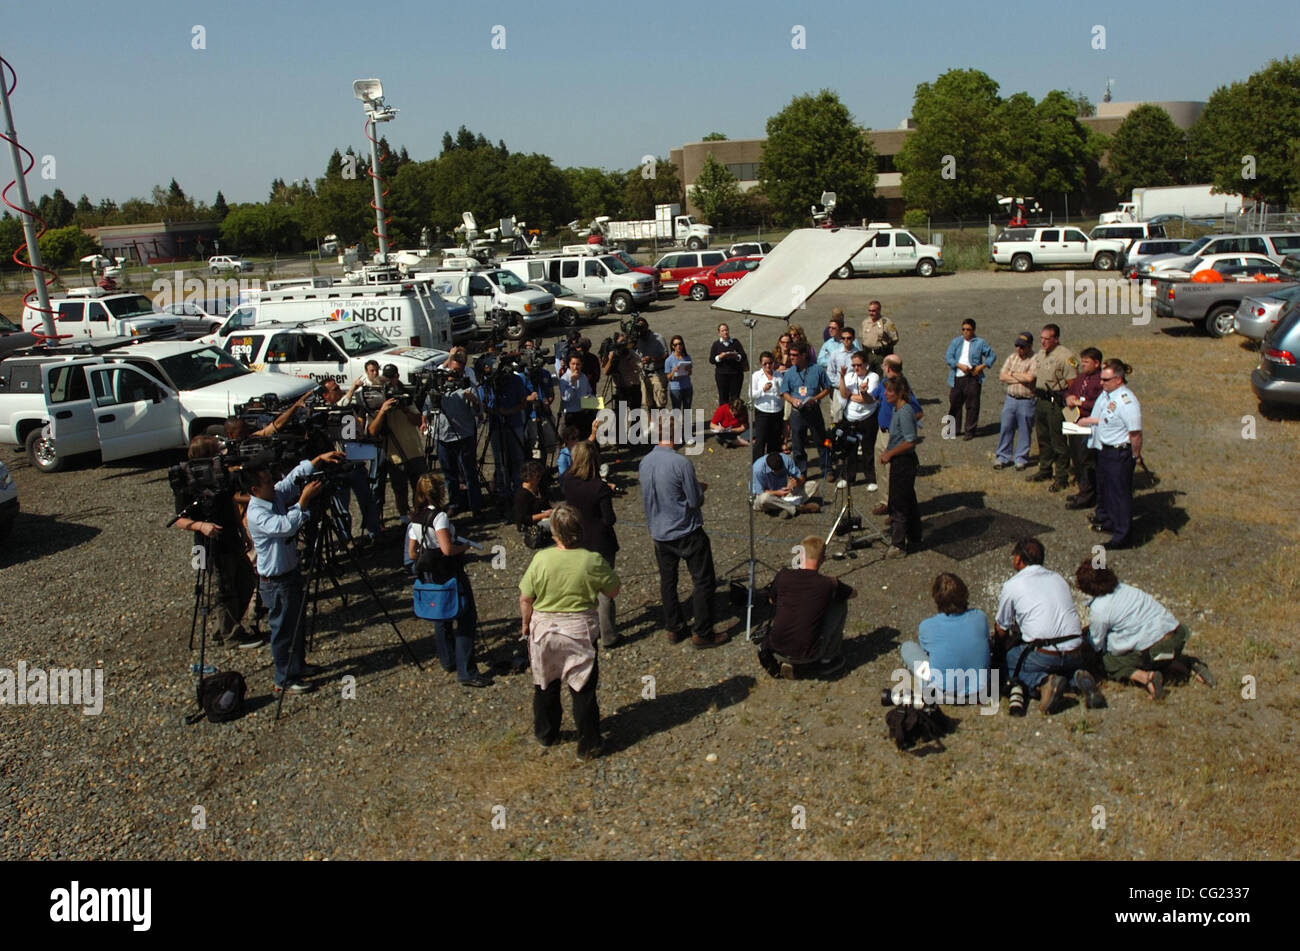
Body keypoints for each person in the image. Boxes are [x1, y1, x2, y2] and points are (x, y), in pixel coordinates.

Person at [519, 503, 621, 758]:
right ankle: (588, 745)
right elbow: (613, 590)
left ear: (554, 532)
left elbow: (525, 597)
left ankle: (546, 734)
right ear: (580, 530)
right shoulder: (592, 560)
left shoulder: (541, 559)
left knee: (545, 684)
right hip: (578, 631)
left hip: (545, 631)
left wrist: (525, 623)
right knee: (583, 689)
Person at [245, 448, 345, 693]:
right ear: (254, 489)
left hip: (289, 574)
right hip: (275, 581)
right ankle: (285, 678)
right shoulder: (257, 512)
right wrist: (303, 501)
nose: (272, 483)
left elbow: (289, 481)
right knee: (282, 630)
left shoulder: (273, 496)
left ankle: (298, 665)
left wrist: (316, 460)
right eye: (267, 481)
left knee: (297, 623)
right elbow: (285, 527)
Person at [638, 414, 725, 647]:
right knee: (703, 580)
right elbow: (695, 500)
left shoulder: (645, 462)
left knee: (668, 581)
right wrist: (700, 489)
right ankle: (703, 632)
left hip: (659, 531)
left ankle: (674, 627)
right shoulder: (681, 463)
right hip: (685, 530)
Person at [171, 436, 262, 649]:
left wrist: (243, 532)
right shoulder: (187, 484)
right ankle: (231, 635)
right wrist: (201, 525)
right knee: (223, 588)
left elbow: (229, 504)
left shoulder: (220, 478)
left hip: (231, 537)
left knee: (247, 579)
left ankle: (225, 626)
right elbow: (179, 520)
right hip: (208, 543)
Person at [994, 537, 1104, 714]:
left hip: (1043, 654)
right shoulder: (1058, 578)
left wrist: (1001, 649)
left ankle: (1043, 682)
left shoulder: (1012, 585)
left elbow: (1001, 628)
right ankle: (1077, 677)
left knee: (1009, 662)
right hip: (1075, 650)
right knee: (1062, 664)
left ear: (1018, 559)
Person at [1075, 560, 1214, 699]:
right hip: (1177, 636)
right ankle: (1186, 664)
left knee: (1109, 662)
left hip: (1154, 650)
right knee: (1156, 648)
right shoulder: (1125, 588)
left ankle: (1147, 678)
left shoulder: (1100, 609)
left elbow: (1096, 645)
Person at [407, 474, 492, 687]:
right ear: (440, 492)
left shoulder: (415, 518)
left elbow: (412, 553)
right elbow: (446, 549)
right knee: (465, 616)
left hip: (429, 573)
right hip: (448, 571)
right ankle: (467, 671)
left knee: (441, 615)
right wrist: (463, 547)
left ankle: (448, 660)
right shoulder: (440, 517)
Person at [1077, 359, 1142, 549]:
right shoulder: (1110, 396)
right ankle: (1111, 523)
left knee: (1120, 495)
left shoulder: (1126, 401)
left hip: (1119, 452)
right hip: (1106, 451)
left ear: (1118, 380)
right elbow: (1106, 419)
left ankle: (1123, 536)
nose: (1101, 383)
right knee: (1107, 490)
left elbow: (1135, 433)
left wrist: (1135, 455)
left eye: (1106, 380)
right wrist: (1088, 421)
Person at [766, 535, 853, 677]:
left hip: (776, 648)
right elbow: (852, 593)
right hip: (809, 654)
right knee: (840, 603)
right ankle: (828, 659)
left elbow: (771, 600)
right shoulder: (828, 584)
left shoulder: (783, 575)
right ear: (823, 560)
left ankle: (787, 659)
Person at [561, 440, 620, 647]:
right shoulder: (599, 487)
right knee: (604, 592)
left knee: (582, 589)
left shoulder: (567, 480)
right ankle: (608, 634)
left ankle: (584, 629)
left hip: (578, 539)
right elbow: (609, 518)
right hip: (600, 542)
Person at [899, 573, 991, 703]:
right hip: (980, 691)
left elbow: (928, 653)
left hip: (943, 694)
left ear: (937, 599)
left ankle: (927, 685)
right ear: (964, 594)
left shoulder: (927, 626)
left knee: (907, 648)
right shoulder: (980, 617)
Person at [369, 364, 428, 526]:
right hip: (394, 455)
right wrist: (382, 411)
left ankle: (422, 514)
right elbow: (372, 431)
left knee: (421, 487)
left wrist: (404, 408)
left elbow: (417, 420)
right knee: (399, 489)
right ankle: (404, 518)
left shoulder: (404, 395)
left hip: (414, 449)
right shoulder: (376, 404)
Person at [431, 349, 484, 518]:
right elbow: (428, 406)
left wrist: (474, 400)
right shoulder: (438, 385)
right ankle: (454, 503)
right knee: (449, 474)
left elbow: (478, 412)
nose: (454, 374)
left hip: (464, 435)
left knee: (469, 473)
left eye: (458, 371)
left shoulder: (468, 386)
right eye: (452, 370)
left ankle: (476, 505)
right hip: (443, 435)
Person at [869, 355, 923, 516]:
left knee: (893, 473)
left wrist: (901, 425)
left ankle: (895, 509)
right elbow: (872, 397)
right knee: (881, 470)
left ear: (887, 367)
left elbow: (918, 412)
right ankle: (885, 502)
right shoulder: (884, 384)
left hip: (893, 436)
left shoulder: (902, 387)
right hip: (881, 431)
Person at [1027, 324, 1078, 491]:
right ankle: (1045, 469)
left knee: (1058, 441)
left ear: (1056, 339)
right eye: (1041, 338)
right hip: (1041, 400)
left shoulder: (1065, 357)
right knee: (1043, 438)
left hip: (1055, 403)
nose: (1043, 342)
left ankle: (1061, 476)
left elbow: (1073, 385)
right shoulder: (1042, 354)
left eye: (1047, 339)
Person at [879, 376, 921, 557]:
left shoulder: (904, 412)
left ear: (899, 393)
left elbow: (911, 441)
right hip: (900, 461)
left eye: (889, 391)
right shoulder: (897, 410)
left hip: (904, 462)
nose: (886, 394)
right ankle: (915, 536)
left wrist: (890, 453)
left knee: (899, 503)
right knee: (908, 499)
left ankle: (898, 545)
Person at [480, 356, 529, 502]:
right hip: (496, 426)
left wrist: (508, 412)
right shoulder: (487, 383)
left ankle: (519, 490)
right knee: (500, 461)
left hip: (514, 424)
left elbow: (523, 403)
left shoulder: (515, 380)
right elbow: (483, 404)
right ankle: (503, 491)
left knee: (518, 459)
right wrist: (493, 411)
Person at [779, 344, 831, 477]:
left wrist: (816, 398)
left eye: (795, 355)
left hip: (813, 410)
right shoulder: (790, 372)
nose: (791, 358)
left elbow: (827, 388)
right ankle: (801, 472)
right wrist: (792, 400)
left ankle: (827, 469)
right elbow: (784, 392)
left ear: (803, 355)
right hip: (797, 413)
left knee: (821, 440)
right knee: (797, 445)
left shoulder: (817, 369)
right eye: (790, 355)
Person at [1063, 347, 1104, 511]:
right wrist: (1069, 398)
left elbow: (1102, 404)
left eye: (1087, 362)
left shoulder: (1101, 381)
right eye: (1082, 361)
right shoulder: (1081, 378)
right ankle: (1082, 490)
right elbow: (1068, 391)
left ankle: (1088, 495)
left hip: (1089, 424)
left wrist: (1083, 403)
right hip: (1073, 422)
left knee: (1086, 460)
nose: (1083, 365)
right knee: (1077, 459)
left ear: (1097, 363)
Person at [944, 319, 996, 440]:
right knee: (954, 404)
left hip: (973, 377)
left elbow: (992, 356)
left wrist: (982, 366)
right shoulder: (956, 342)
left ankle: (970, 431)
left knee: (972, 405)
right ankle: (953, 429)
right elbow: (948, 357)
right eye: (963, 329)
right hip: (957, 376)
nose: (965, 332)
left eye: (968, 330)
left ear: (973, 330)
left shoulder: (980, 342)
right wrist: (959, 365)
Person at [837, 350, 880, 489]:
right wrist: (842, 378)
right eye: (854, 365)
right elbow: (843, 394)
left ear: (866, 364)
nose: (856, 368)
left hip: (867, 418)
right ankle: (849, 477)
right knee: (850, 449)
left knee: (868, 449)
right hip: (850, 418)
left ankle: (871, 478)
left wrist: (857, 394)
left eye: (859, 365)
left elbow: (866, 400)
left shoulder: (873, 377)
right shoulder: (850, 376)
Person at [994, 332, 1036, 471]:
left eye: (1022, 347)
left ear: (1029, 346)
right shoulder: (1012, 358)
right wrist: (1019, 377)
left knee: (1024, 430)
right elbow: (1002, 376)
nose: (1019, 349)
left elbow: (1030, 378)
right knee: (1006, 427)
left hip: (1027, 400)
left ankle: (1021, 458)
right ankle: (1002, 457)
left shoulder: (1034, 359)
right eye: (1017, 346)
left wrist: (1012, 374)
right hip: (1011, 399)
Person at [751, 451, 820, 518]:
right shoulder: (757, 469)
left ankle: (782, 507)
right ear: (772, 470)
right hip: (766, 497)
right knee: (765, 498)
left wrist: (795, 483)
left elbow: (801, 477)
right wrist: (778, 492)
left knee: (813, 485)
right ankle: (796, 508)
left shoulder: (786, 459)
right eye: (778, 472)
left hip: (784, 494)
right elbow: (759, 492)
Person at [750, 350, 784, 460]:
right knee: (760, 440)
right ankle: (756, 467)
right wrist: (763, 390)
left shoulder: (778, 376)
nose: (768, 366)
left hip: (777, 411)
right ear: (761, 364)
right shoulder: (756, 376)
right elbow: (751, 394)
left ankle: (772, 464)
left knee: (774, 441)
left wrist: (779, 389)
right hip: (762, 412)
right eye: (765, 363)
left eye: (770, 363)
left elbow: (783, 393)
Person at [633, 315, 670, 410]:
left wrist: (652, 359)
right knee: (649, 404)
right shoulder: (637, 339)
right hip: (644, 374)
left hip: (657, 372)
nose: (641, 330)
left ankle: (662, 424)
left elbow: (666, 355)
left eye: (643, 326)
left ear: (647, 326)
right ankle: (653, 424)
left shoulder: (658, 337)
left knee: (660, 404)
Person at [825, 325, 861, 421]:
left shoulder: (859, 354)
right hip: (838, 391)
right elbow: (830, 373)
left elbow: (862, 373)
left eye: (849, 338)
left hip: (854, 390)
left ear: (853, 338)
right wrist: (840, 385)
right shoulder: (835, 354)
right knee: (837, 417)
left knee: (854, 416)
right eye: (843, 338)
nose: (846, 340)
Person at [514, 460, 553, 545]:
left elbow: (546, 505)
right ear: (529, 478)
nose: (540, 478)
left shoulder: (539, 488)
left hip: (543, 517)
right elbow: (524, 519)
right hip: (531, 525)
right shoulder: (522, 495)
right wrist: (545, 515)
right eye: (538, 476)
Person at [708, 322, 748, 406]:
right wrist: (720, 357)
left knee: (735, 397)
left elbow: (743, 355)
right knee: (723, 398)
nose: (725, 332)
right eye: (722, 331)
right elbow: (711, 360)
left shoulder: (735, 342)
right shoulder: (716, 345)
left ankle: (735, 416)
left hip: (736, 375)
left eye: (726, 330)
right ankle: (724, 417)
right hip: (722, 375)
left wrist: (736, 356)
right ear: (719, 333)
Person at [558, 351, 595, 436]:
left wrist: (592, 399)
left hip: (584, 412)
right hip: (571, 414)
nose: (575, 367)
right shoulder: (565, 379)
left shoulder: (583, 377)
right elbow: (566, 398)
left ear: (581, 364)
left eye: (578, 364)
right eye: (573, 364)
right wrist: (573, 383)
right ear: (569, 364)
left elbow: (589, 391)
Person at [859, 300, 898, 370]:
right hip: (868, 355)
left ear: (879, 310)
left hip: (881, 355)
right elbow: (862, 337)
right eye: (869, 311)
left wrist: (887, 345)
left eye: (873, 311)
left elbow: (895, 339)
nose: (871, 313)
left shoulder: (887, 323)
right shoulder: (865, 322)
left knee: (882, 378)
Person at [665, 335, 694, 410]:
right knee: (676, 410)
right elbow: (668, 377)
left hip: (687, 386)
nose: (678, 346)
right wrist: (673, 371)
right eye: (676, 344)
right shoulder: (669, 360)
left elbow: (690, 373)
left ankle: (687, 422)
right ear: (672, 346)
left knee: (687, 409)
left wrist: (688, 369)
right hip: (676, 388)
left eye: (680, 344)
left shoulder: (687, 357)